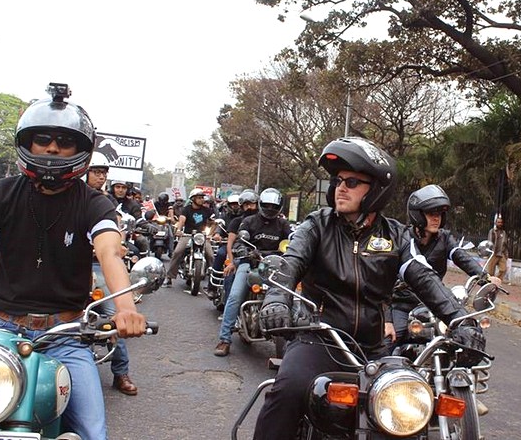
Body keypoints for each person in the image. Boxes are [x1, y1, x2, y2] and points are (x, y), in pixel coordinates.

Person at [0, 83, 146, 440]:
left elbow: (109, 251)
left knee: (93, 431)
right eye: (42, 138)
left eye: (65, 141)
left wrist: (124, 307)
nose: (52, 147)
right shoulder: (0, 193)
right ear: (27, 144)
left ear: (82, 152)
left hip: (64, 335)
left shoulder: (94, 204)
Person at [253, 137, 483, 440]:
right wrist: (276, 300)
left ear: (375, 190)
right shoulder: (317, 226)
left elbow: (424, 277)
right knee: (288, 390)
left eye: (351, 181)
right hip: (319, 340)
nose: (340, 188)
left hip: (374, 350)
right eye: (337, 181)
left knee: (408, 413)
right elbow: (290, 264)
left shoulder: (396, 236)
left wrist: (459, 320)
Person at [388, 183, 501, 346]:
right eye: (431, 213)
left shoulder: (445, 238)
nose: (436, 218)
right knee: (393, 338)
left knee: (462, 337)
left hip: (434, 303)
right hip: (404, 303)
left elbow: (460, 256)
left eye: (439, 214)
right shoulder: (404, 238)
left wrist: (485, 278)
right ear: (418, 215)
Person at [84, 155, 139, 396]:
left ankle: (121, 372)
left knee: (113, 316)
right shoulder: (68, 198)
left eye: (104, 172)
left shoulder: (105, 202)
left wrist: (120, 245)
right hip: (67, 267)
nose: (101, 176)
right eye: (96, 171)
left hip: (98, 266)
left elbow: (116, 233)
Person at [214, 187, 291, 356]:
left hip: (273, 266)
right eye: (267, 205)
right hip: (249, 262)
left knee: (289, 297)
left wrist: (291, 250)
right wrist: (245, 252)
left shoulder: (283, 224)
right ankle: (224, 339)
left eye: (273, 206)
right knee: (234, 296)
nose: (270, 209)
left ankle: (287, 344)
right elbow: (240, 242)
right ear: (262, 204)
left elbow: (291, 241)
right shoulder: (249, 221)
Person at [162, 188, 215, 287]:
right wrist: (178, 230)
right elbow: (182, 220)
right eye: (199, 198)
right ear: (193, 199)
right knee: (177, 252)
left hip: (201, 237)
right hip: (188, 235)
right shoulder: (186, 209)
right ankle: (169, 277)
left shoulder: (207, 210)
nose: (201, 200)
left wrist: (210, 234)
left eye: (202, 198)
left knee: (211, 255)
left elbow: (214, 223)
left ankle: (213, 283)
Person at [485, 214, 510, 283]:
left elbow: (505, 244)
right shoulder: (492, 231)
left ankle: (496, 282)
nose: (500, 224)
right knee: (490, 272)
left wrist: (506, 255)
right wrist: (489, 253)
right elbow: (489, 242)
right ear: (496, 223)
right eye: (498, 222)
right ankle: (488, 284)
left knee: (503, 269)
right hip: (493, 253)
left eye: (501, 222)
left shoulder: (504, 233)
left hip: (501, 254)